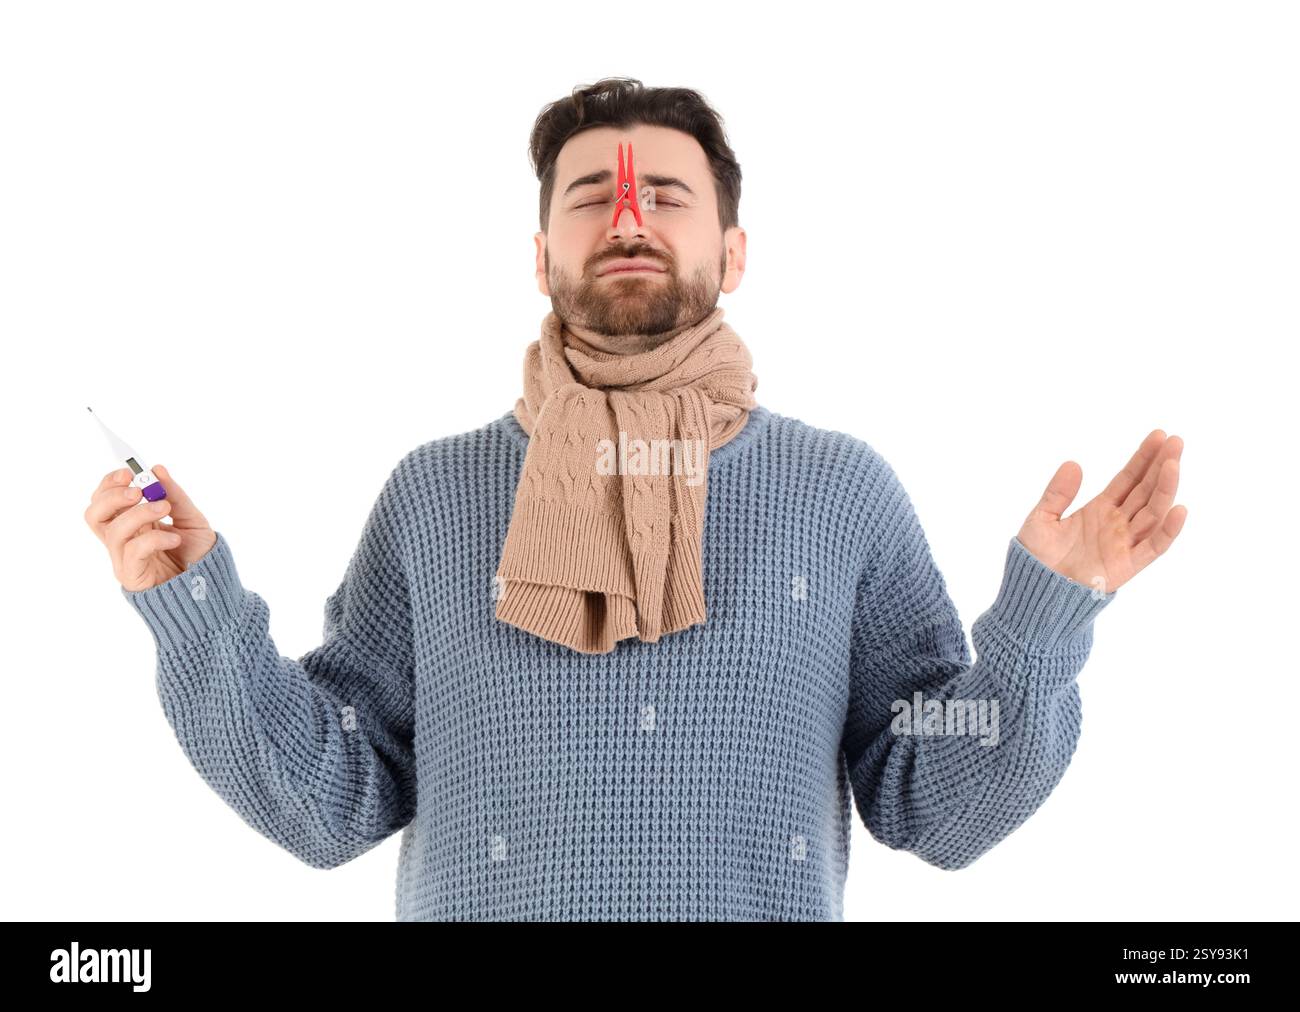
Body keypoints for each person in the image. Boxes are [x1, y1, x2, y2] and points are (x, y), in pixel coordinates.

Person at [83, 77, 1187, 921]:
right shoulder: (432, 495)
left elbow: (930, 799)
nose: (627, 217)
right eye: (590, 198)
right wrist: (199, 612)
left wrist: (1046, 621)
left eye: (665, 194)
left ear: (734, 250)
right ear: (540, 253)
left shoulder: (842, 491)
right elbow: (330, 798)